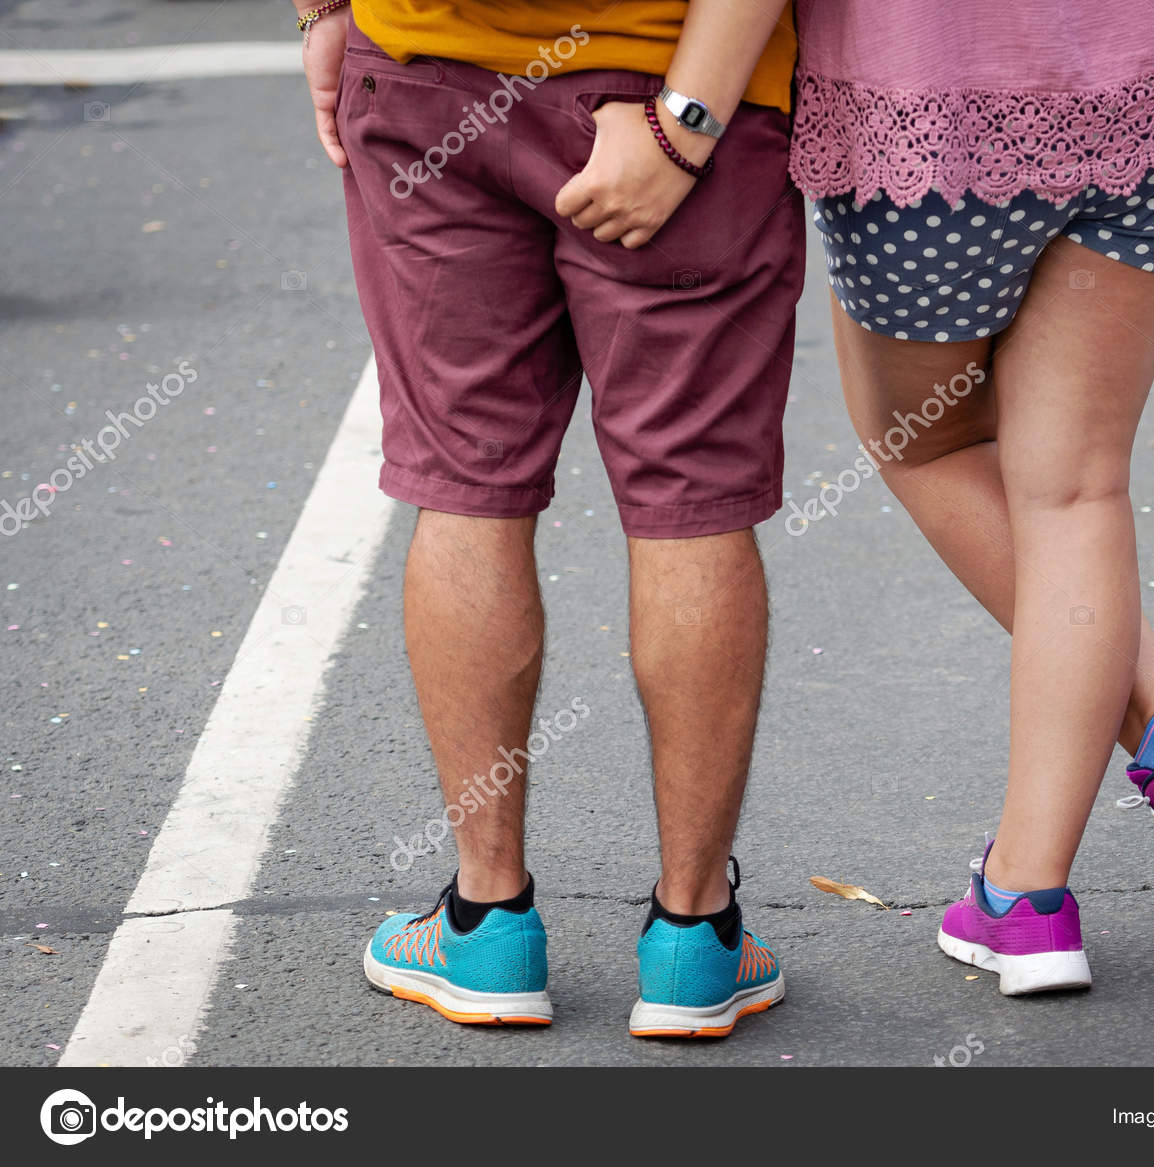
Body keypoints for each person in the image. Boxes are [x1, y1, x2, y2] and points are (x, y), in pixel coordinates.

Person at [293, 0, 801, 1036]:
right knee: (689, 498)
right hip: (677, 77)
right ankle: (692, 939)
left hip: (432, 71)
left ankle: (486, 926)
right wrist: (685, 121)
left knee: (464, 481)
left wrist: (322, 14)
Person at [789, 0, 1154, 994]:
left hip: (929, 118)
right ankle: (1028, 890)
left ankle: (1148, 748)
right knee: (1075, 489)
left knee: (923, 443)